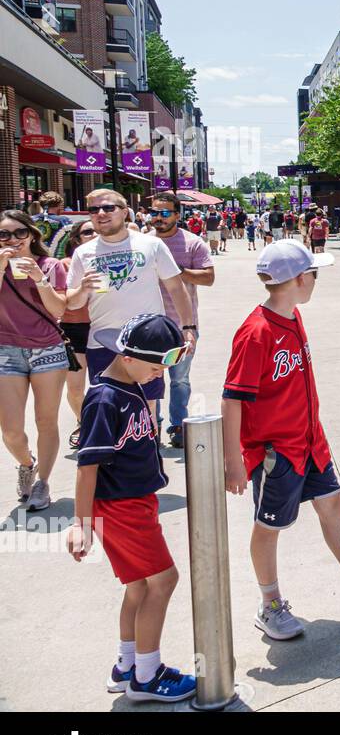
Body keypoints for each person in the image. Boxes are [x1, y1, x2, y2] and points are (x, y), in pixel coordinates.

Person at [223, 240, 340, 641]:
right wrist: (233, 459)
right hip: (276, 450)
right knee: (269, 524)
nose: (316, 280)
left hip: (310, 442)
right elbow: (233, 398)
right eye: (314, 273)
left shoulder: (292, 317)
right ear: (298, 279)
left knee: (332, 505)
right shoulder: (255, 332)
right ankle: (270, 603)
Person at [65, 313, 199, 703]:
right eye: (156, 365)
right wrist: (81, 524)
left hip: (132, 503)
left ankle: (126, 665)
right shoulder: (106, 399)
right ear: (128, 357)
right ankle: (146, 675)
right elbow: (87, 467)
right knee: (165, 580)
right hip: (123, 508)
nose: (159, 374)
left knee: (139, 585)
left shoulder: (130, 384)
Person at [65, 190, 197, 420]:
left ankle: (148, 454)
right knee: (109, 407)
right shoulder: (83, 253)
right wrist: (82, 289)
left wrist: (188, 328)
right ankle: (114, 456)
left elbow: (176, 288)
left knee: (148, 410)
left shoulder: (151, 245)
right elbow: (73, 303)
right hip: (102, 342)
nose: (101, 214)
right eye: (94, 210)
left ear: (125, 212)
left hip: (147, 342)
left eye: (108, 208)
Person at [0, 210, 74, 510]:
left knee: (46, 420)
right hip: (6, 350)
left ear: (32, 235)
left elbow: (59, 311)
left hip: (48, 350)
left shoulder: (50, 265)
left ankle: (43, 481)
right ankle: (26, 462)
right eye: (4, 234)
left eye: (20, 233)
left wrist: (38, 278)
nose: (13, 240)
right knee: (11, 430)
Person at [147, 193, 215, 450]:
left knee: (179, 379)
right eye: (154, 212)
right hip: (148, 327)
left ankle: (177, 424)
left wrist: (177, 272)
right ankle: (151, 426)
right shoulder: (142, 242)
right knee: (149, 380)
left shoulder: (192, 243)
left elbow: (209, 278)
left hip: (181, 325)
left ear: (177, 215)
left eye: (165, 213)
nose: (159, 218)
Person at [60, 220, 101, 449]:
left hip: (103, 327)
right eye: (87, 232)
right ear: (76, 239)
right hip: (74, 328)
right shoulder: (64, 264)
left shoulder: (109, 261)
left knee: (103, 385)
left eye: (96, 230)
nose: (93, 234)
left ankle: (100, 427)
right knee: (75, 388)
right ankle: (85, 423)